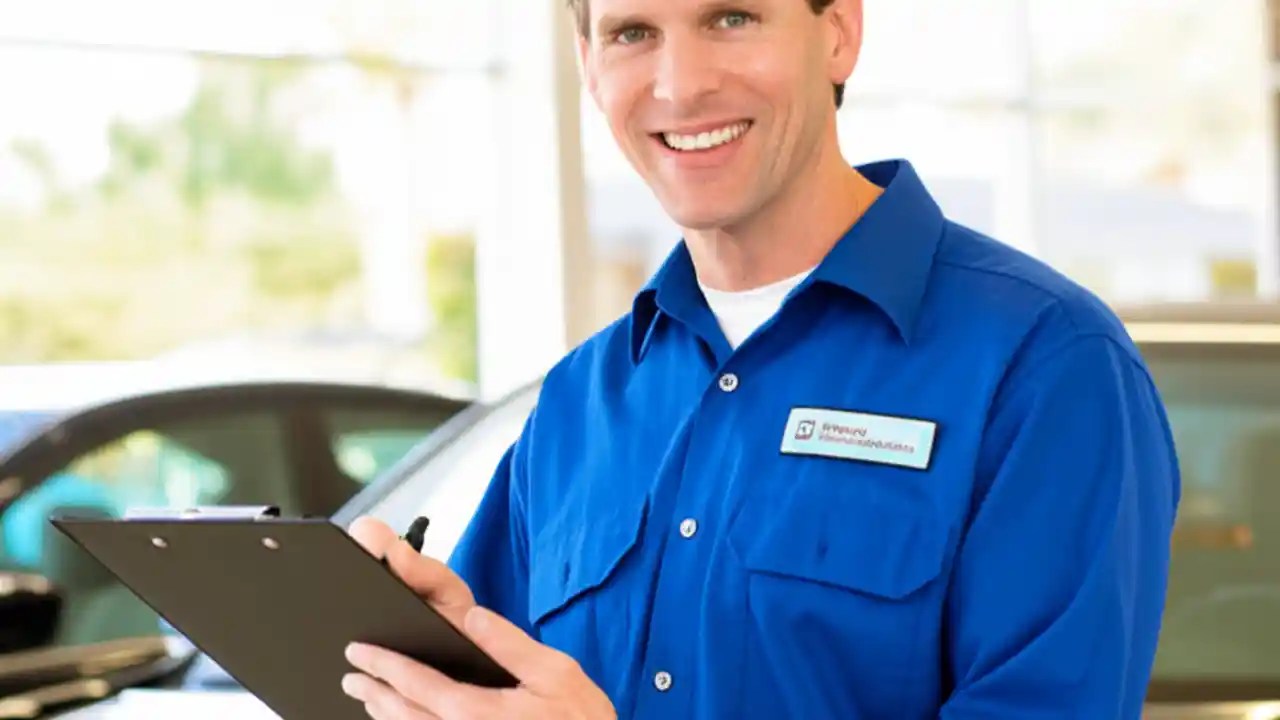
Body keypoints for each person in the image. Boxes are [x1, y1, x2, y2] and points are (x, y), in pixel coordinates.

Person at [340, 0, 1182, 716]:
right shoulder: (580, 403)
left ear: (840, 31)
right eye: (633, 33)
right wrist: (431, 667)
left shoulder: (1044, 367)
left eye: (731, 17)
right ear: (589, 66)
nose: (680, 84)